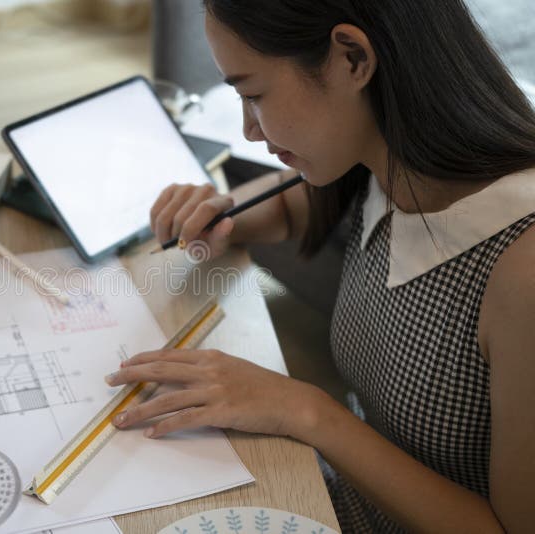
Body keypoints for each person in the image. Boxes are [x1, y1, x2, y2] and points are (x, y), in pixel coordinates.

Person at [103, 1, 535, 532]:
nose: (248, 131)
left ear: (352, 58)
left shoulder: (521, 267)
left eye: (254, 94)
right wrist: (219, 211)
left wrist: (308, 412)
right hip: (340, 487)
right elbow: (289, 204)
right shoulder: (386, 161)